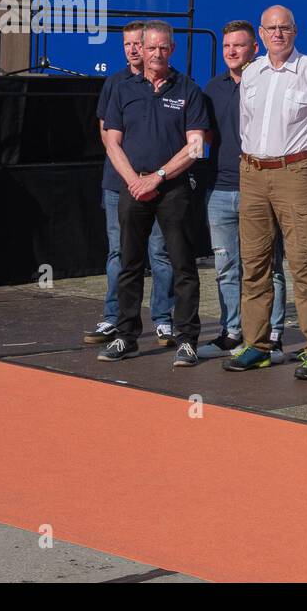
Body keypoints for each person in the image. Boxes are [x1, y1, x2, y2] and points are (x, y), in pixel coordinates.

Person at [225, 5, 307, 374]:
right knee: (254, 263)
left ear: (295, 31)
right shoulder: (252, 73)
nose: (278, 34)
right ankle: (256, 344)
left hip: (295, 171)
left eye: (284, 28)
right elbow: (246, 124)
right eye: (271, 28)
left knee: (305, 261)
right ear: (261, 34)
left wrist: (304, 170)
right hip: (253, 172)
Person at [98, 21, 209, 366]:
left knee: (181, 266)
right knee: (129, 265)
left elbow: (196, 146)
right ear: (141, 51)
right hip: (133, 186)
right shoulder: (121, 88)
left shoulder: (187, 89)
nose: (157, 54)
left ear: (171, 50)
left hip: (173, 189)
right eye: (151, 48)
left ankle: (187, 338)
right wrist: (135, 179)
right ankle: (126, 336)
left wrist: (157, 177)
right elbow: (110, 141)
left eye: (164, 48)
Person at [197, 20, 288, 360]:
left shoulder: (267, 83)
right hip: (220, 191)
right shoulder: (212, 88)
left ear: (254, 48)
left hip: (260, 189)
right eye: (226, 47)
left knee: (268, 266)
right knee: (226, 266)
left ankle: (273, 333)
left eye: (238, 46)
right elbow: (202, 136)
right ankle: (233, 330)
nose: (231, 52)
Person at [84, 21, 176, 348]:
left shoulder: (173, 84)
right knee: (119, 252)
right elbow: (107, 133)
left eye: (139, 43)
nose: (134, 50)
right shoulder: (116, 83)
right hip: (118, 184)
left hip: (159, 187)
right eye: (127, 45)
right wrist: (131, 178)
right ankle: (114, 317)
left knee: (159, 251)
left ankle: (164, 320)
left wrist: (152, 178)